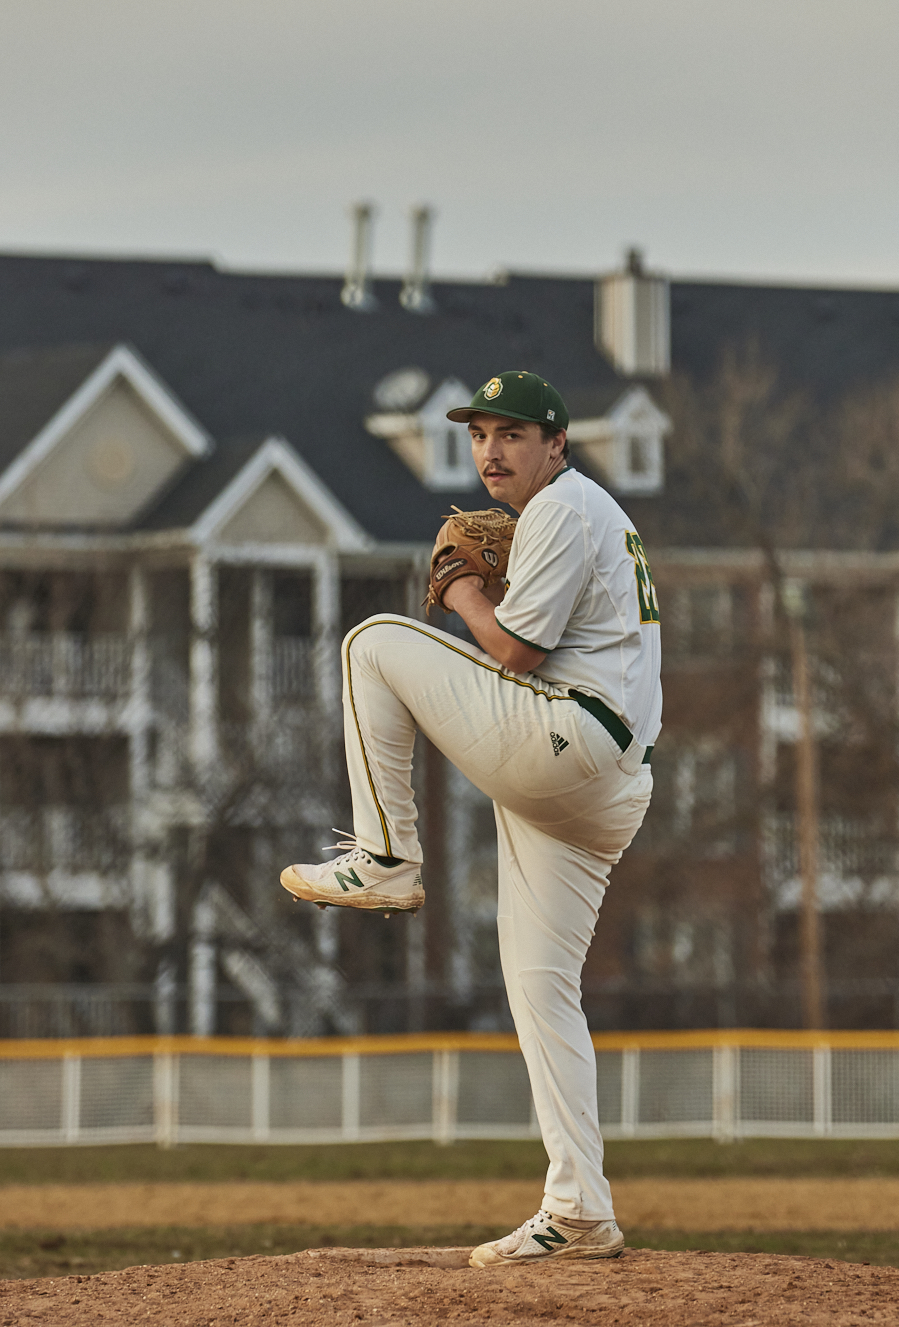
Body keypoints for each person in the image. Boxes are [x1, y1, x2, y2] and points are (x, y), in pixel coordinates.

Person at [279, 369, 659, 1266]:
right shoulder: (582, 515)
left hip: (567, 738)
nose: (491, 450)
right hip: (604, 785)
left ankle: (385, 858)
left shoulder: (565, 506)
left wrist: (458, 594)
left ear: (557, 445)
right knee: (538, 987)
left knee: (372, 643)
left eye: (514, 434)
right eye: (481, 434)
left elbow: (517, 654)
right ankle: (580, 1206)